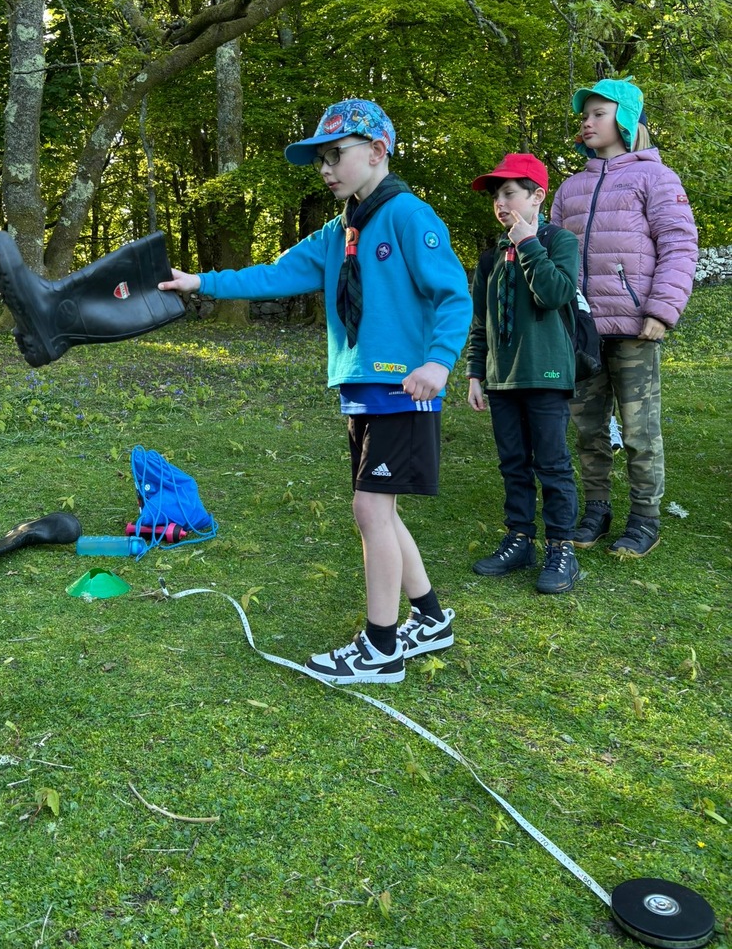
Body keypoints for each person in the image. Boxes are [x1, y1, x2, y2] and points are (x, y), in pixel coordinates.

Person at [159, 99, 472, 683]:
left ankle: (381, 649)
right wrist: (201, 281)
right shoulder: (339, 232)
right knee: (382, 511)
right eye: (320, 159)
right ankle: (429, 619)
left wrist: (439, 362)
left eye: (336, 155)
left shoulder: (408, 215)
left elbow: (454, 294)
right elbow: (274, 274)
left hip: (403, 388)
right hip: (361, 389)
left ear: (377, 151)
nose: (325, 168)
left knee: (370, 510)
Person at [550, 77, 698, 558]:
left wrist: (662, 309)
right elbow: (553, 254)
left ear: (626, 120)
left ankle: (644, 519)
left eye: (598, 113)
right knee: (589, 429)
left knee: (638, 431)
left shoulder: (657, 178)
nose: (587, 122)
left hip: (635, 328)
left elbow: (679, 245)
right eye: (584, 114)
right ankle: (596, 509)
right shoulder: (570, 188)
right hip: (580, 331)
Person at [466, 154, 582, 594]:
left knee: (552, 465)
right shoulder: (491, 256)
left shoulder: (560, 242)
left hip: (547, 374)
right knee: (513, 464)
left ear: (538, 196)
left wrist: (529, 243)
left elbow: (555, 293)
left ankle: (562, 549)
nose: (500, 201)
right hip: (501, 379)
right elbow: (482, 323)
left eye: (509, 192)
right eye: (496, 195)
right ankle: (520, 539)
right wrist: (477, 374)